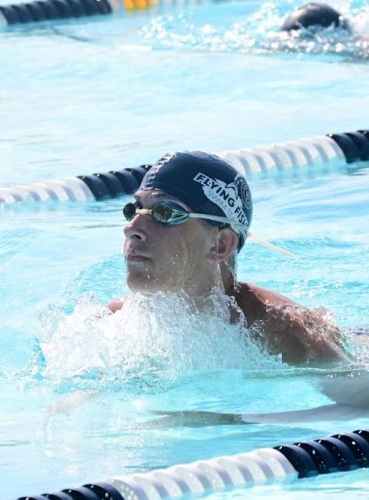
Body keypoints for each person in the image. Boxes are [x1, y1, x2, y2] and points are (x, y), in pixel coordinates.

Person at [107, 150, 351, 367]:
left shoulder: (281, 333)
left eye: (165, 212)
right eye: (134, 209)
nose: (131, 228)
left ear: (220, 244)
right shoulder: (116, 322)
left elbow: (368, 405)